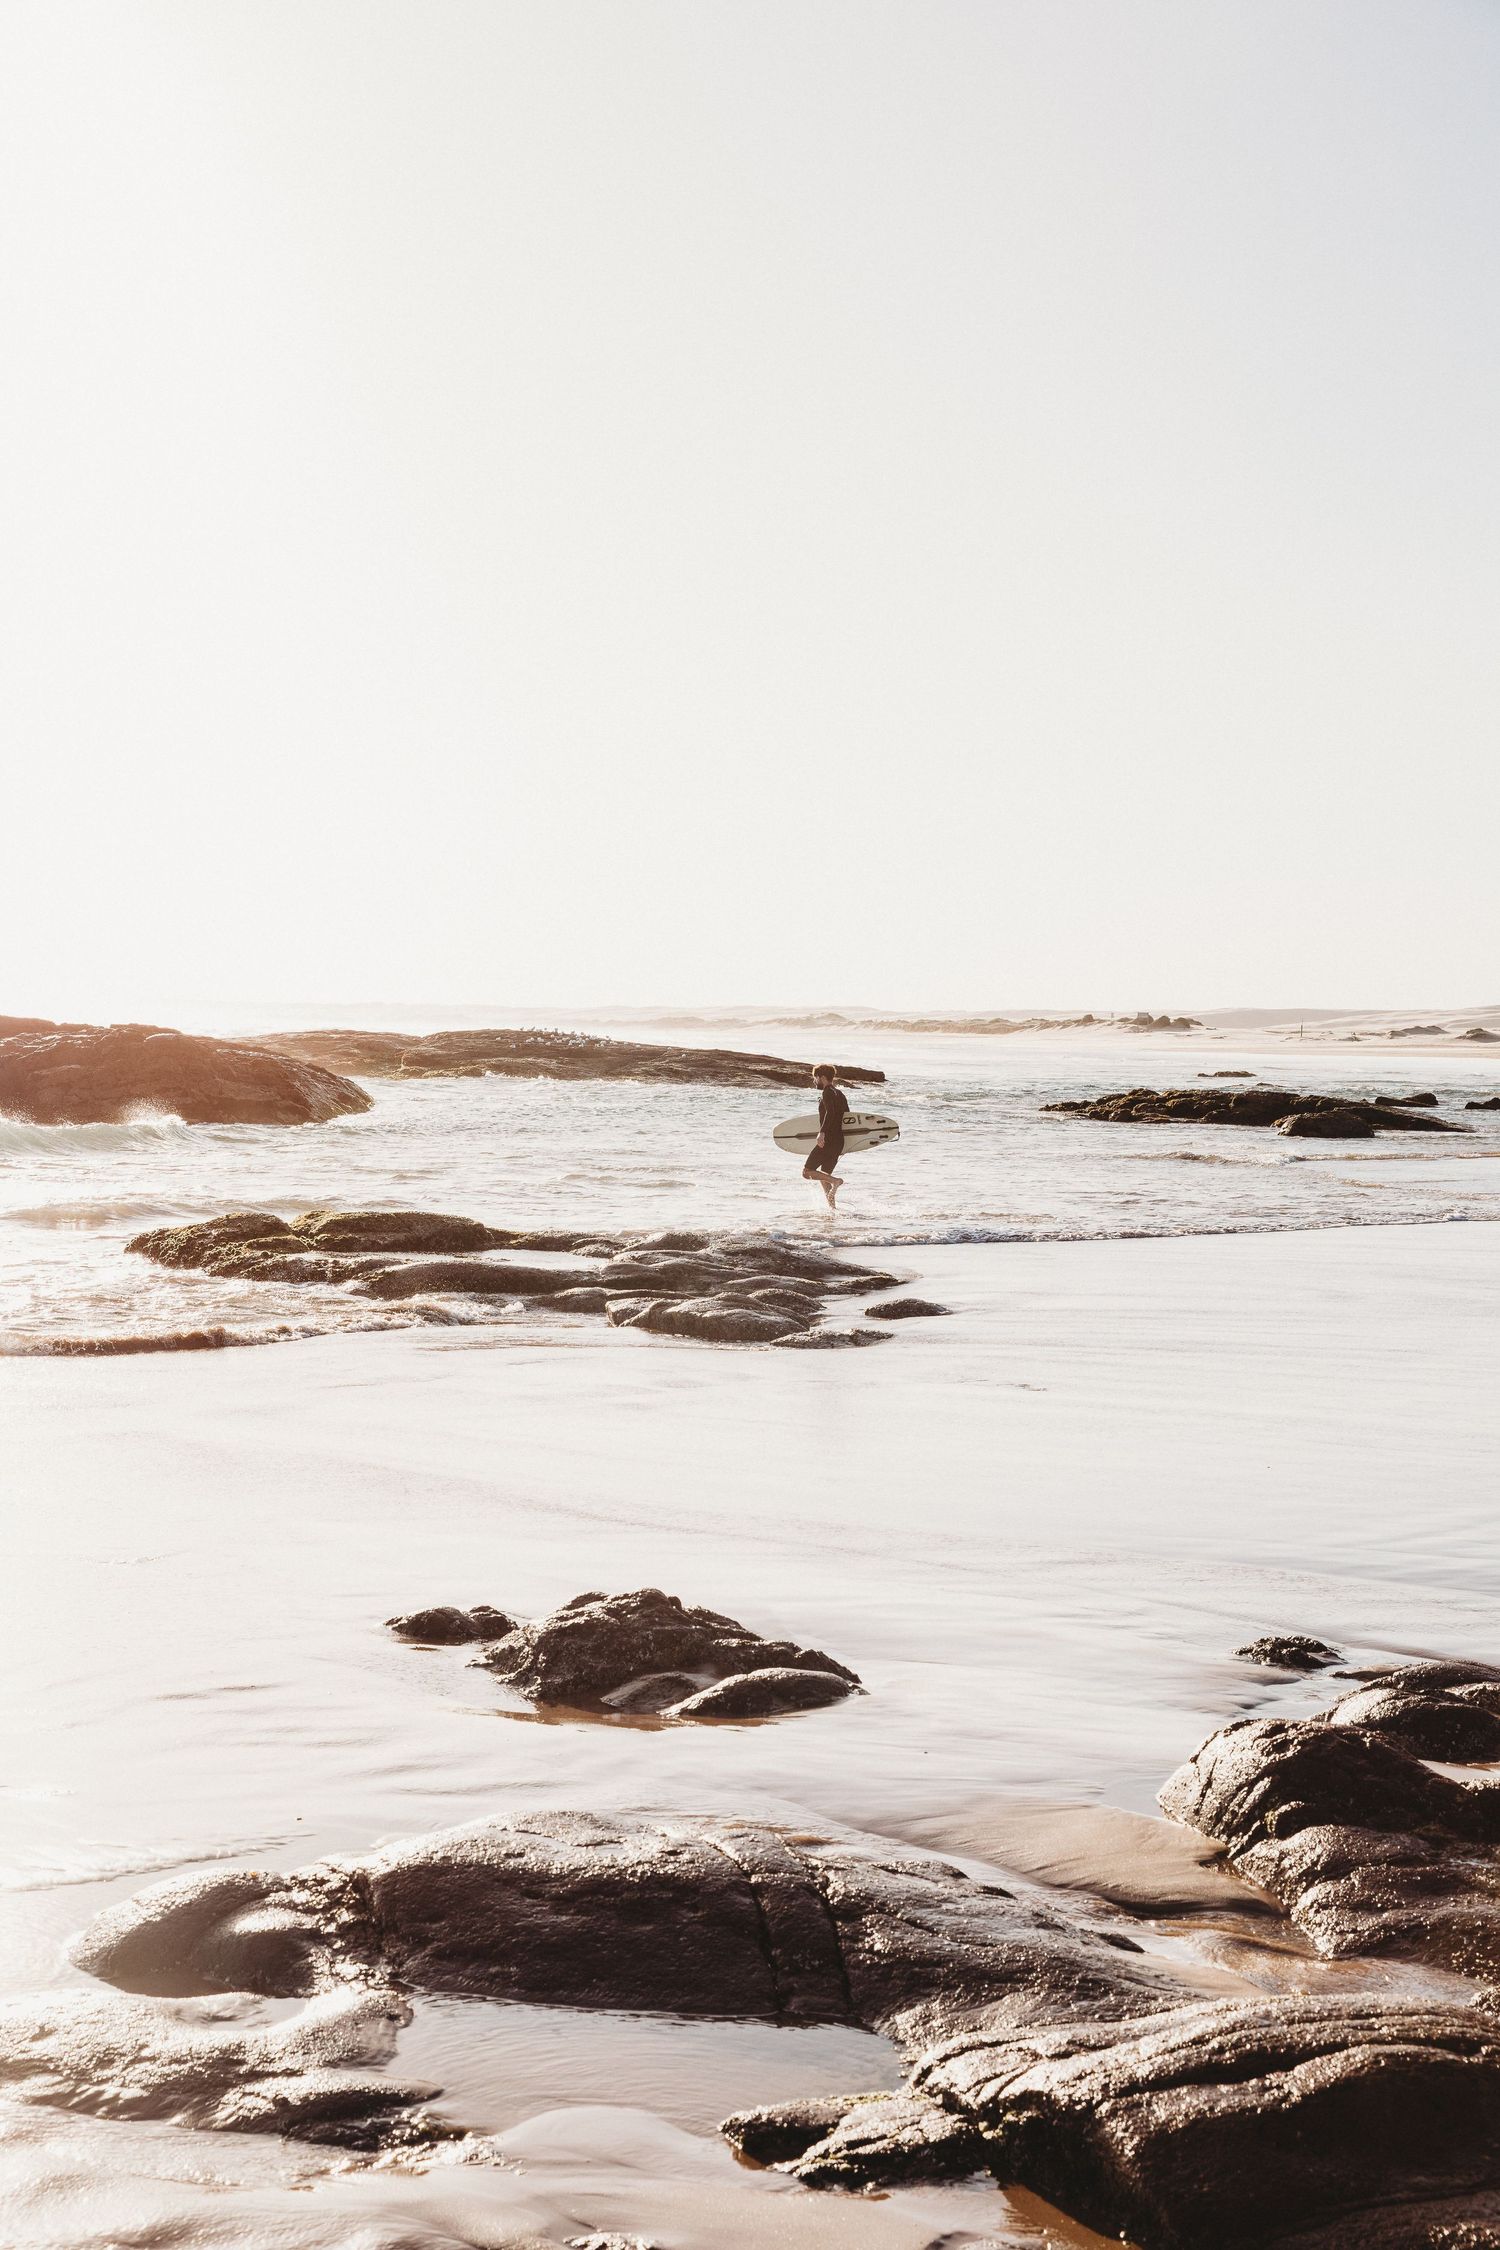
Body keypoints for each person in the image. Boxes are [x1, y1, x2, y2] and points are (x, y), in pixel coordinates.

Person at [803, 1063, 849, 1210]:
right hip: (838, 1141)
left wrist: (822, 1132)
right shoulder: (840, 1094)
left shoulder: (827, 1092)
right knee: (824, 1176)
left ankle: (836, 1181)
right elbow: (847, 1117)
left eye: (815, 1078)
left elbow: (830, 1113)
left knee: (807, 1172)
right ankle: (832, 1211)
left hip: (828, 1139)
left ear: (822, 1077)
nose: (814, 1081)